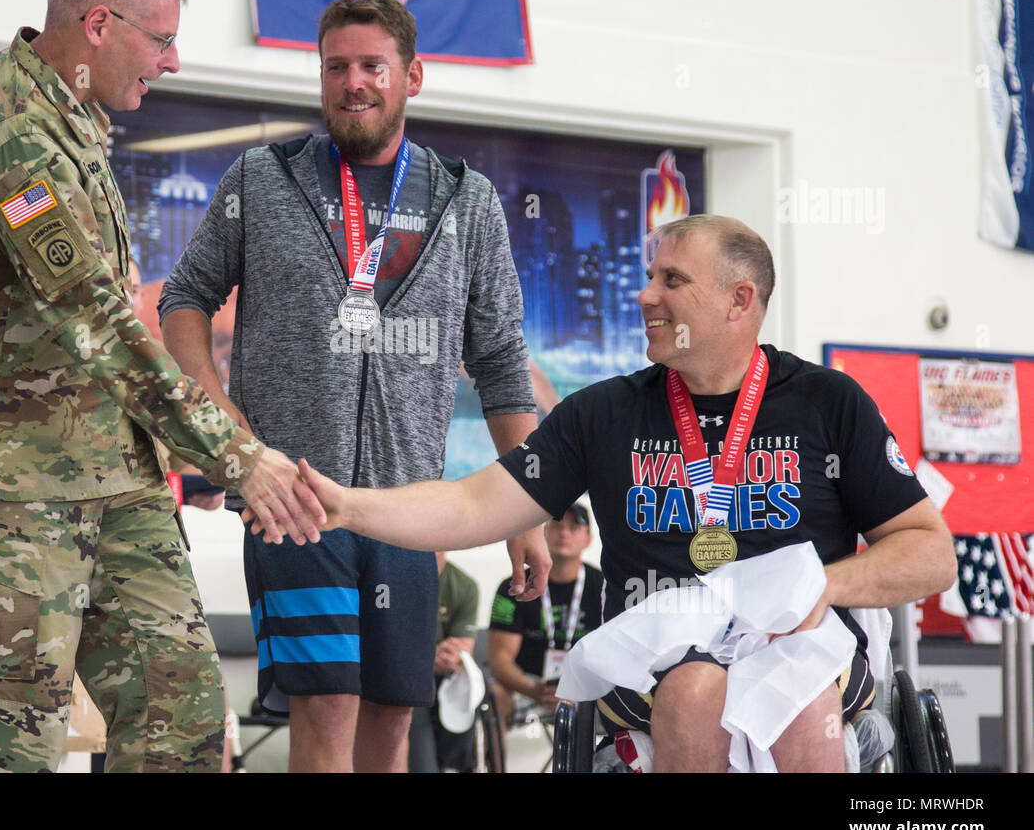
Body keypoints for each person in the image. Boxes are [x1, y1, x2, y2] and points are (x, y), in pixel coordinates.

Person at [294, 214, 957, 772]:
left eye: (672, 280)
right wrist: (347, 506)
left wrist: (819, 588)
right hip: (658, 649)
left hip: (801, 642)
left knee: (801, 700)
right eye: (648, 276)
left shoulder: (826, 402)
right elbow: (472, 505)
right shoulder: (605, 413)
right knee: (695, 692)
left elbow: (930, 553)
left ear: (739, 300)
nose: (645, 296)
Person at [0, 0, 322, 773]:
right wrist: (236, 455)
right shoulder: (12, 134)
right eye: (161, 39)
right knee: (5, 745)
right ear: (99, 24)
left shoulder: (76, 120)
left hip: (112, 480)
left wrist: (181, 454)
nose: (173, 61)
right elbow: (94, 320)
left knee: (182, 717)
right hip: (7, 493)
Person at [159, 0, 549, 773]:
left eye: (373, 65)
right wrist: (228, 430)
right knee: (328, 706)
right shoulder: (263, 178)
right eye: (336, 67)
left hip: (410, 511)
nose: (353, 82)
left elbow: (502, 362)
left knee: (393, 719)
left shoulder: (465, 200)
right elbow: (184, 299)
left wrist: (528, 510)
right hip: (294, 499)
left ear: (412, 76)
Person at [487, 502, 602, 737]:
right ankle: (496, 759)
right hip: (530, 686)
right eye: (557, 525)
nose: (564, 534)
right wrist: (534, 690)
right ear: (542, 534)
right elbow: (499, 661)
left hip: (589, 690)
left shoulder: (604, 587)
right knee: (496, 697)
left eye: (574, 528)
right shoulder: (514, 586)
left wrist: (585, 689)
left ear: (588, 540)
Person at [407, 551, 480, 773]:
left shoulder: (464, 585)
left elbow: (461, 649)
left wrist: (447, 656)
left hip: (444, 675)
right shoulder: (393, 578)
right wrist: (426, 658)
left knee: (475, 688)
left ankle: (454, 765)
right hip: (406, 675)